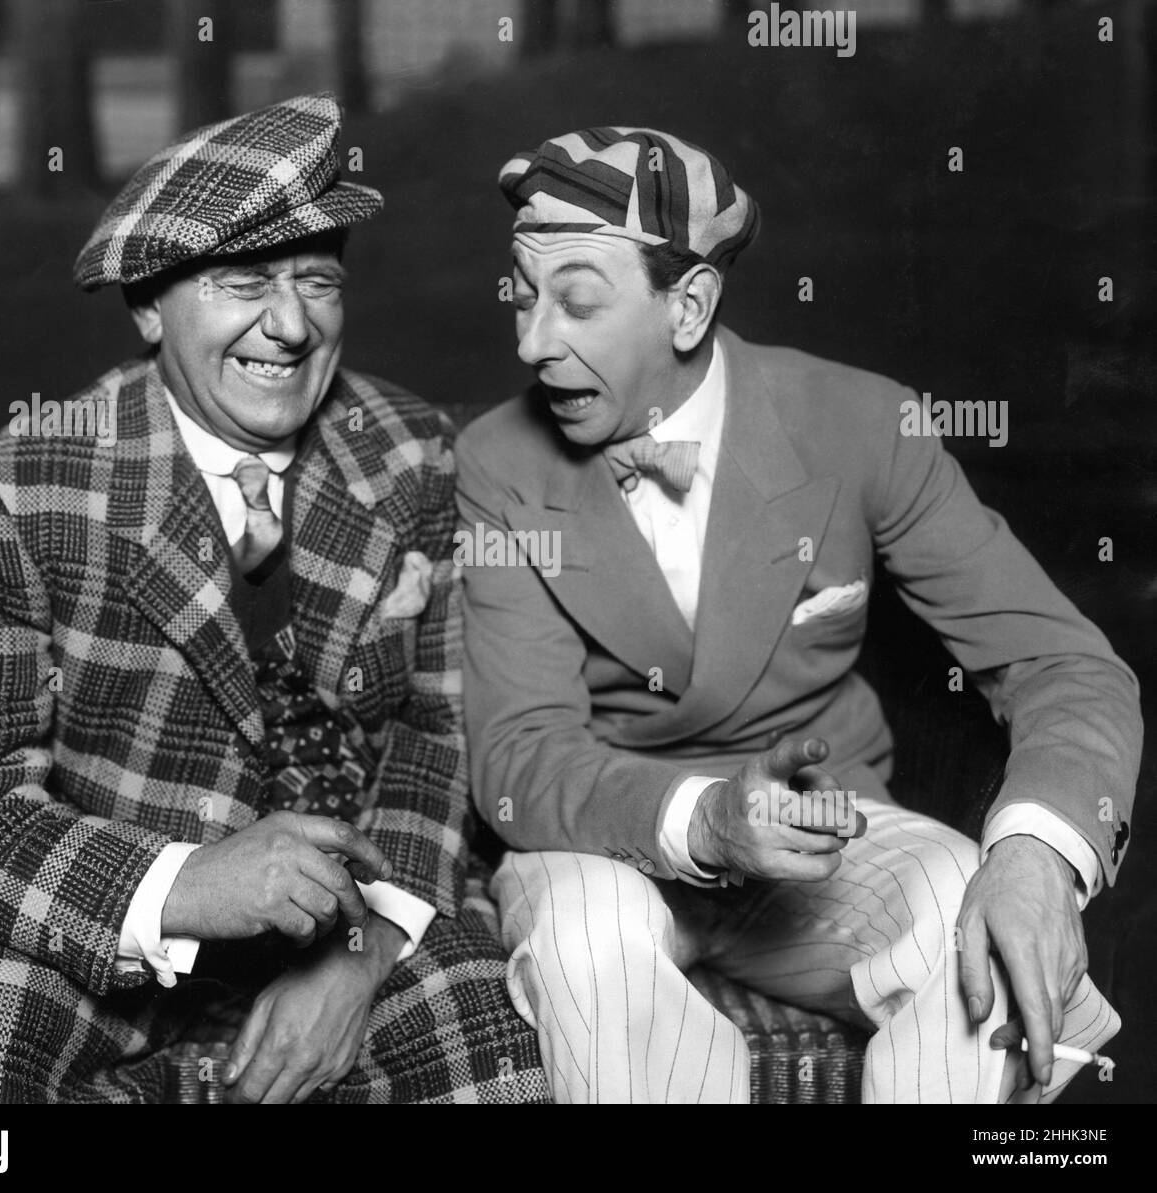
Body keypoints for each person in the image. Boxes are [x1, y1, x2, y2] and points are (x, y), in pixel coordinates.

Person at [0, 94, 546, 1105]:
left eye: (318, 279)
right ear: (148, 308)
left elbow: (432, 744)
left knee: (480, 1024)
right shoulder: (31, 481)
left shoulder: (410, 456)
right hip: (87, 924)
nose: (292, 321)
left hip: (349, 917)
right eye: (244, 281)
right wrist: (184, 884)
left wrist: (358, 955)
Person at [454, 125, 1141, 1104]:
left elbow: (1063, 664)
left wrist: (1035, 852)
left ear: (687, 304)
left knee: (962, 909)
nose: (531, 342)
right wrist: (708, 821)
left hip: (828, 834)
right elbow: (518, 754)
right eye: (523, 294)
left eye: (577, 302)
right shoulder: (495, 460)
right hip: (606, 841)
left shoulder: (860, 423)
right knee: (590, 942)